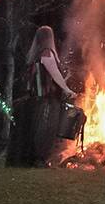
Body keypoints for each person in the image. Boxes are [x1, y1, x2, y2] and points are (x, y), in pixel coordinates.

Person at [17, 25, 76, 167]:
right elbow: (54, 74)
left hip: (39, 97)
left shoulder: (35, 55)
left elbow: (50, 75)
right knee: (46, 128)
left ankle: (36, 159)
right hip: (47, 99)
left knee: (38, 127)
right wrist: (67, 89)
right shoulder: (47, 52)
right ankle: (39, 159)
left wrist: (65, 78)